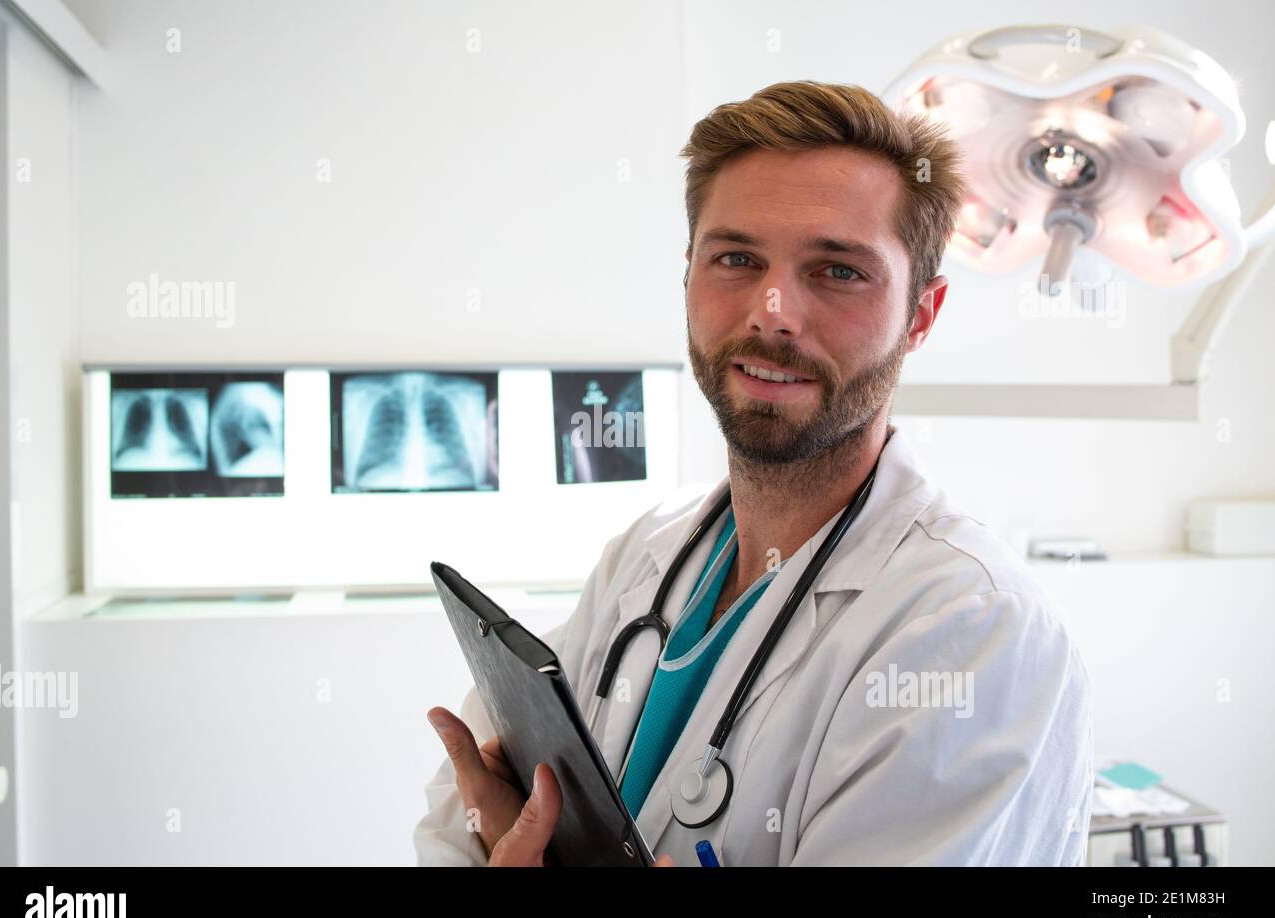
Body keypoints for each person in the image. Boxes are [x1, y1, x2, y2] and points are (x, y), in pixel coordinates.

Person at [414, 80, 1093, 867]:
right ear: (688, 276)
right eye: (736, 259)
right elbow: (462, 812)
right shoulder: (648, 556)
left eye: (838, 271)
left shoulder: (971, 632)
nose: (774, 311)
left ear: (921, 315)